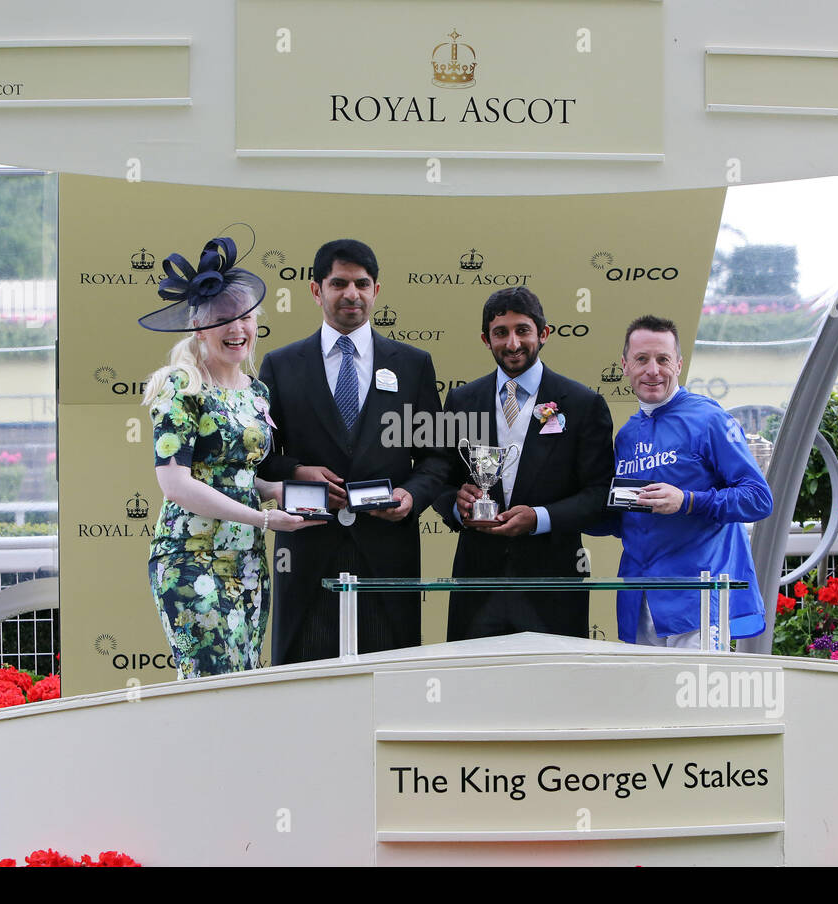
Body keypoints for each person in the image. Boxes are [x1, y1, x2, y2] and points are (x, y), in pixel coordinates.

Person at [258, 238, 448, 664]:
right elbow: (263, 458)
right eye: (339, 283)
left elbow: (437, 456)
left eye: (362, 284)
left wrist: (412, 496)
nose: (351, 295)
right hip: (305, 552)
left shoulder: (413, 364)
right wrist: (300, 471)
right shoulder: (281, 364)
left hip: (387, 554)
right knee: (303, 683)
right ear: (315, 289)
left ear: (376, 290)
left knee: (389, 678)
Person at [138, 233, 308, 679]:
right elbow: (176, 485)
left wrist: (284, 493)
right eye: (223, 320)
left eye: (245, 317)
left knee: (243, 686)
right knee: (210, 686)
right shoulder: (181, 386)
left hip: (248, 561)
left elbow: (238, 476)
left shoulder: (257, 394)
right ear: (198, 328)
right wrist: (265, 519)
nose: (237, 330)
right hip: (192, 557)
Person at [434, 286, 613, 641]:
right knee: (472, 689)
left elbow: (598, 495)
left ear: (543, 334)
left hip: (553, 586)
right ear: (486, 339)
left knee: (555, 691)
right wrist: (457, 504)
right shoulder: (461, 400)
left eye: (522, 330)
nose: (512, 343)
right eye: (500, 333)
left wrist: (538, 519)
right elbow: (438, 476)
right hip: (477, 584)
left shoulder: (582, 404)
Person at [599, 315, 773, 646]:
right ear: (625, 365)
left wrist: (688, 500)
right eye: (641, 359)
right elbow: (629, 518)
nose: (653, 370)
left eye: (663, 359)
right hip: (641, 602)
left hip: (697, 604)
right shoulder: (625, 435)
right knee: (647, 699)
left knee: (697, 698)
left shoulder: (709, 418)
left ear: (678, 364)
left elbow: (758, 498)